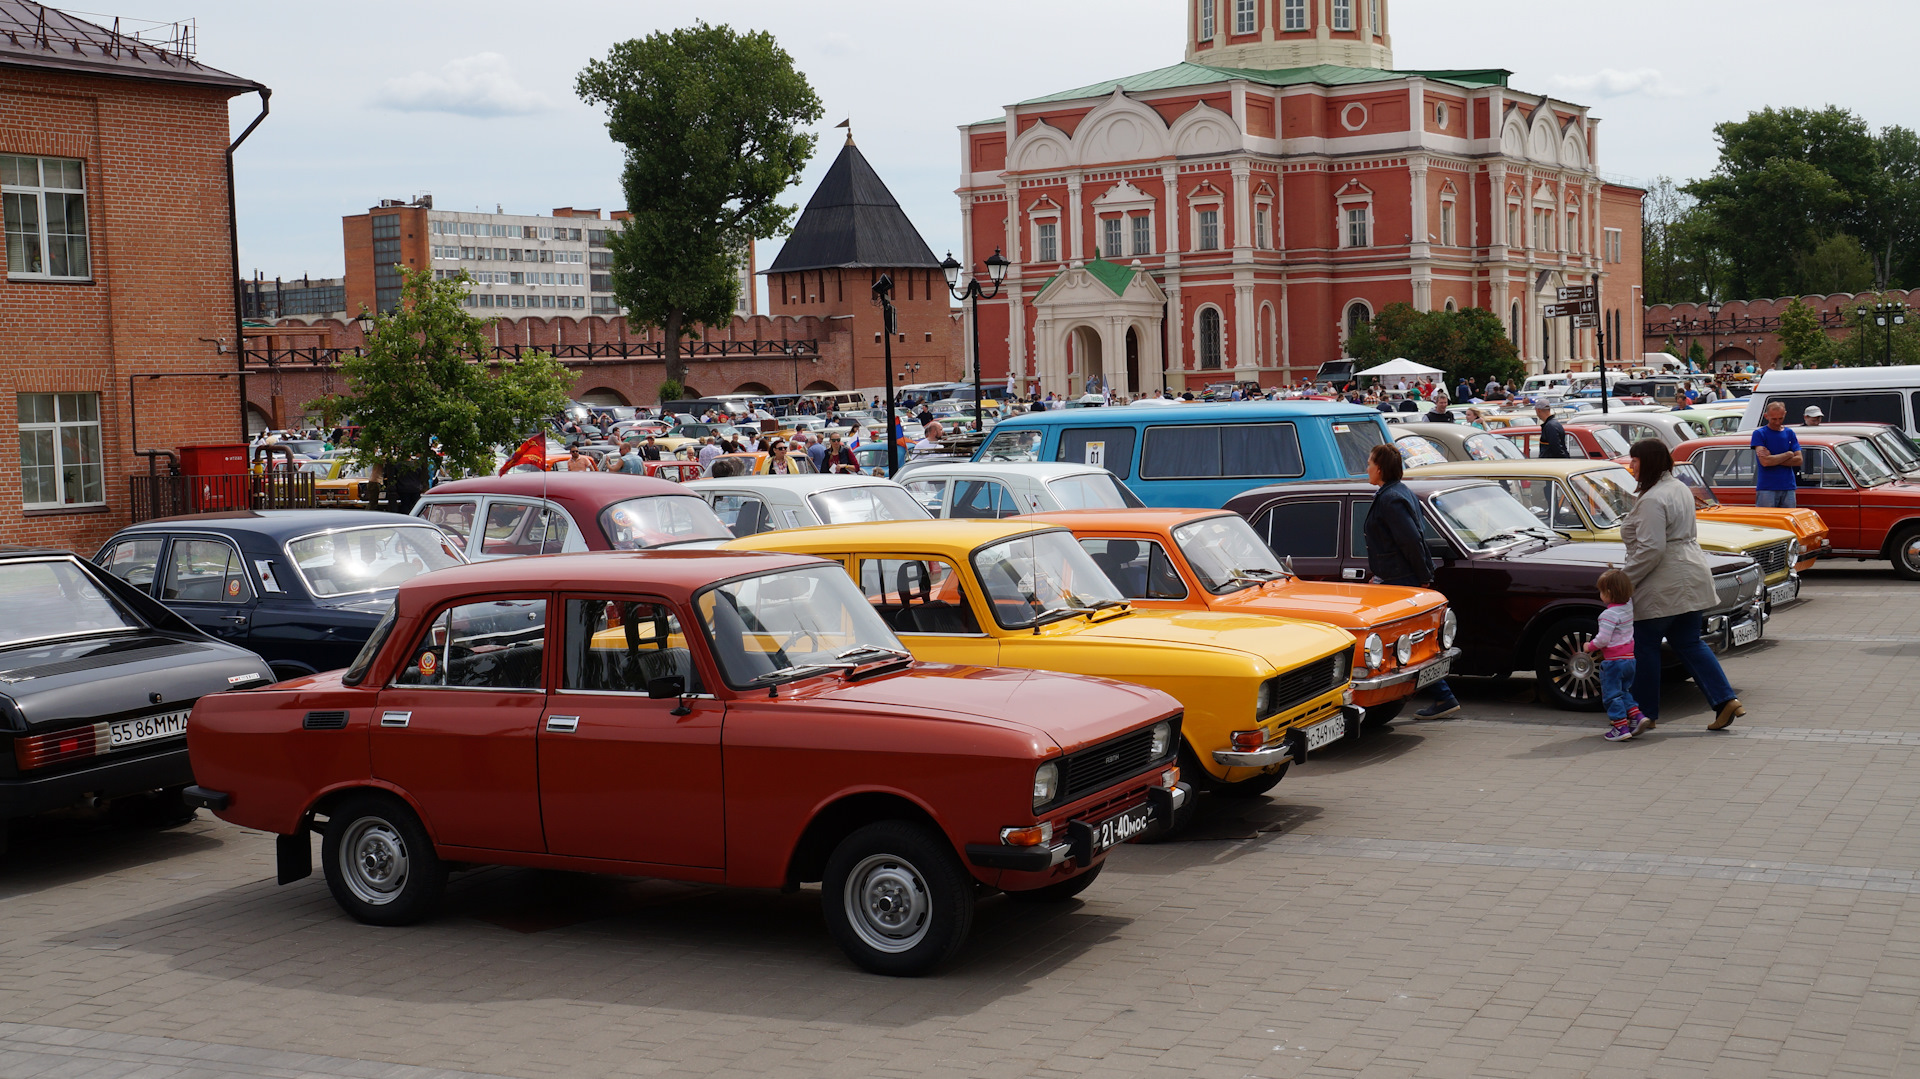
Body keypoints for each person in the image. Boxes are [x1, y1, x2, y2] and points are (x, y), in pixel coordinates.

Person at [1622, 439, 1745, 731]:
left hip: (1665, 581)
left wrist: (1624, 581)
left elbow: (1652, 549)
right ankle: (1725, 699)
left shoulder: (1653, 498)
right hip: (1690, 573)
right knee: (1688, 642)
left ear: (1648, 462)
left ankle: (1644, 713)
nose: (1631, 466)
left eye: (1635, 461)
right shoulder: (1678, 488)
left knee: (1645, 644)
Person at [1363, 443, 1461, 720]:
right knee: (1407, 643)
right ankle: (1441, 697)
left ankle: (1442, 697)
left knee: (1406, 642)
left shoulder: (1391, 498)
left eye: (1370, 463)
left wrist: (1422, 578)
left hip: (1401, 580)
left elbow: (1411, 541)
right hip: (1394, 577)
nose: (1367, 468)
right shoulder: (1394, 493)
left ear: (1380, 468)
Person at [1587, 568, 1651, 741]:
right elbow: (1624, 590)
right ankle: (1637, 716)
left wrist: (1589, 646)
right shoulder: (1627, 606)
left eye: (1601, 591)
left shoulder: (1608, 615)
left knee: (1611, 695)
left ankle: (1620, 727)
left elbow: (1603, 640)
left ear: (1608, 593)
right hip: (1630, 660)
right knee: (1623, 691)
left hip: (1613, 662)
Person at [1750, 401, 1802, 508]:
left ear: (1785, 414)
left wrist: (1773, 458)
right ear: (1766, 416)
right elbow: (1765, 462)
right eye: (1774, 419)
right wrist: (1788, 454)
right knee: (1766, 522)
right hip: (1767, 487)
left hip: (1788, 487)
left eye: (1780, 418)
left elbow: (1799, 460)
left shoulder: (1789, 433)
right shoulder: (1759, 434)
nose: (1777, 422)